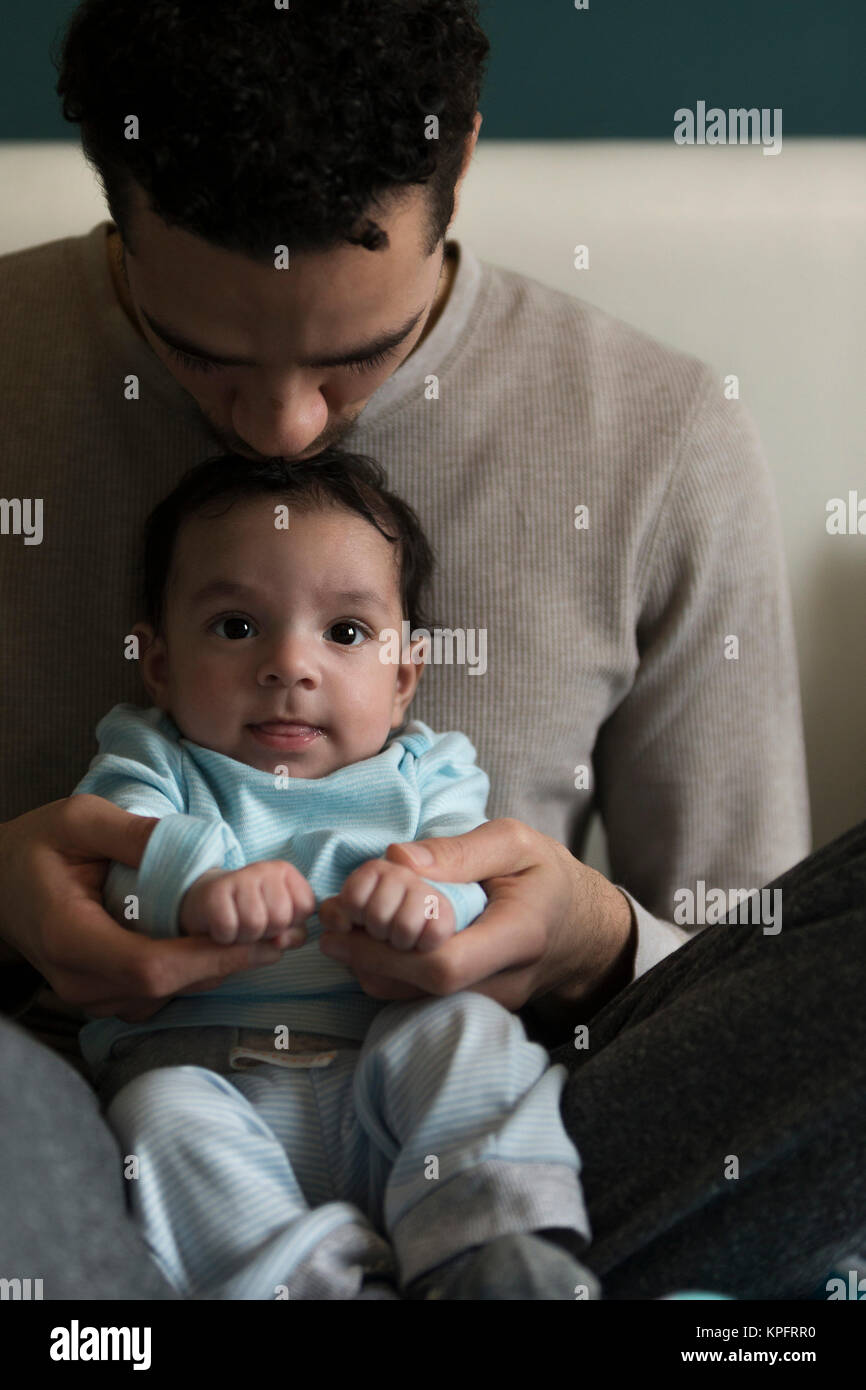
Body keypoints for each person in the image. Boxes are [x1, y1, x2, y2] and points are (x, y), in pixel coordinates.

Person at [1, 0, 861, 1301]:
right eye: (199, 352)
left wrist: (589, 934)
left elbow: (748, 984)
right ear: (110, 184)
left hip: (528, 1151)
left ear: (457, 152)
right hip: (103, 1160)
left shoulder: (656, 433)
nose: (284, 433)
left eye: (357, 355)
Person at [71, 446, 597, 1301]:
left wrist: (430, 901)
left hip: (390, 1092)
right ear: (160, 664)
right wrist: (197, 890)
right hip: (214, 1082)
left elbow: (483, 885)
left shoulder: (429, 772)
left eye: (344, 633)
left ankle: (486, 1248)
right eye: (236, 627)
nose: (290, 665)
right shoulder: (151, 757)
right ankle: (317, 1288)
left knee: (468, 1031)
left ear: (403, 679)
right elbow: (112, 878)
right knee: (155, 1117)